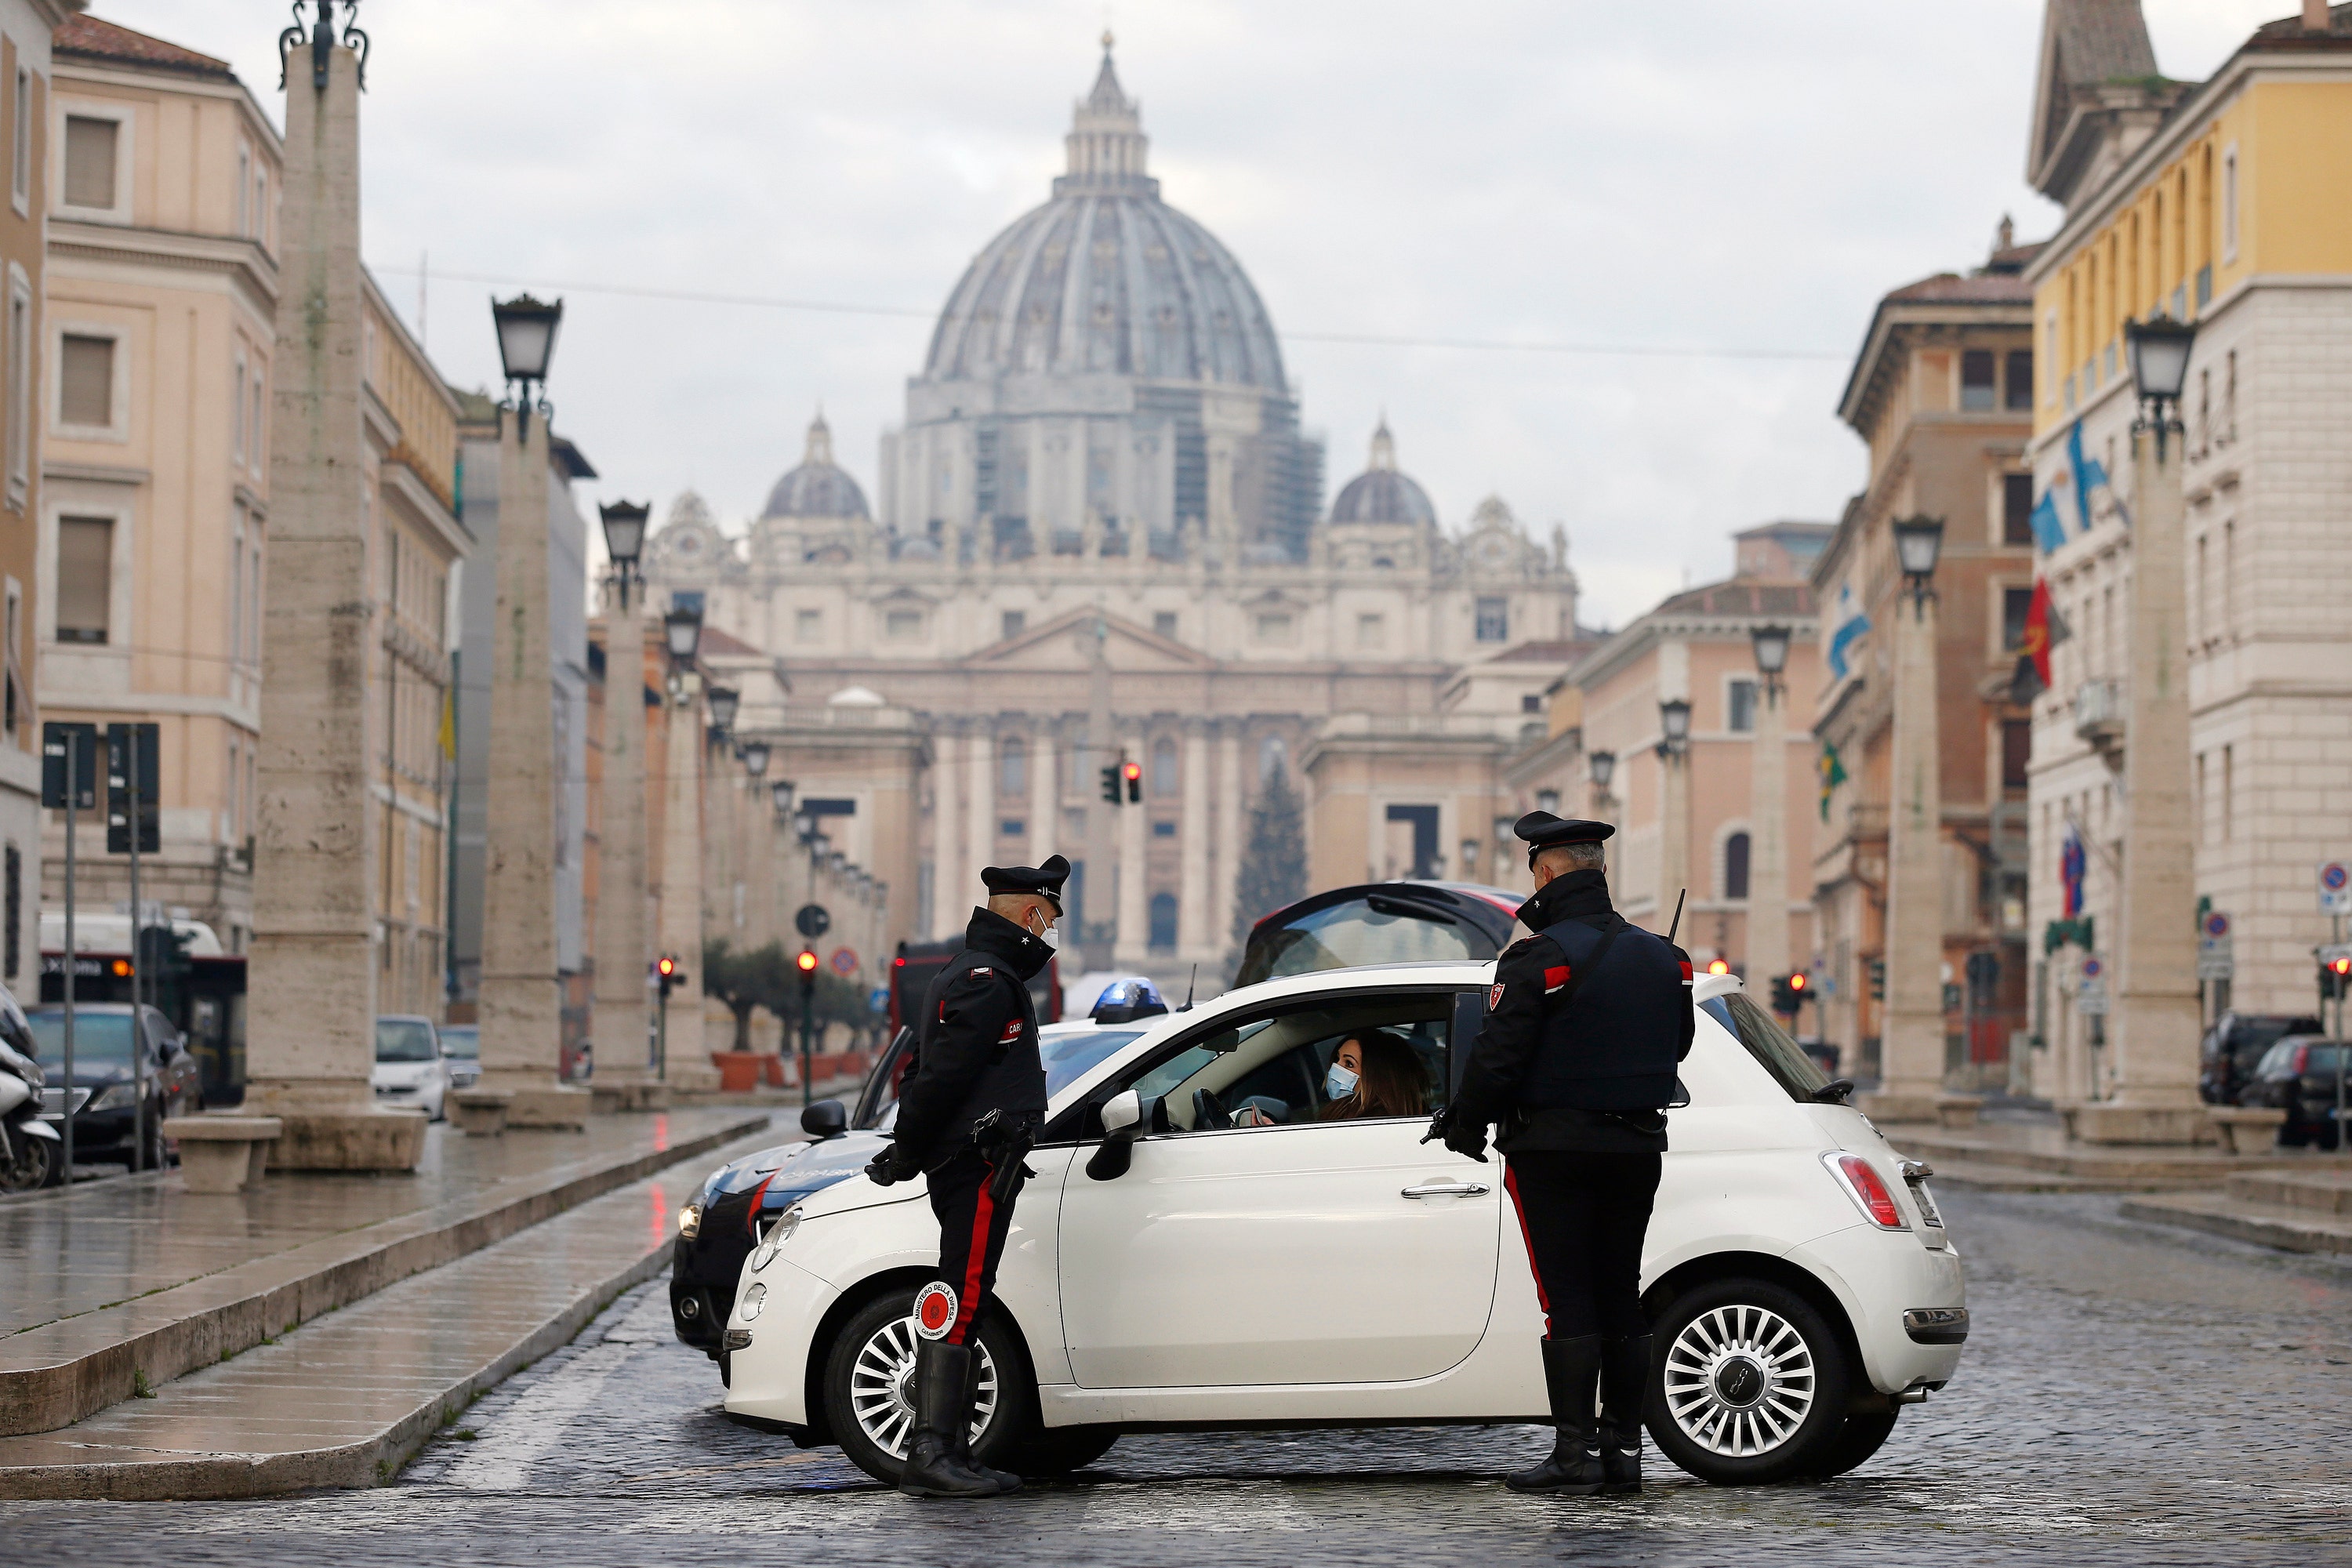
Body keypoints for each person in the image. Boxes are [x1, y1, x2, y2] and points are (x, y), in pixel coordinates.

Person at [1428, 812, 1693, 1497]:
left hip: (1551, 1151)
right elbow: (1681, 1045)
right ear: (1598, 872)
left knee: (1568, 1299)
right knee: (1620, 1295)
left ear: (1545, 874)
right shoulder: (1668, 958)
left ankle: (1573, 1456)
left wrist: (1465, 1124)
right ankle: (1625, 1454)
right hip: (1637, 1147)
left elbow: (1499, 1054)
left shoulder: (1540, 958)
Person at [863, 854, 1069, 1499]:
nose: (1054, 932)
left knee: (967, 1293)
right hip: (976, 1162)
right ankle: (930, 1451)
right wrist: (908, 1147)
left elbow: (920, 1069)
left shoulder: (973, 971)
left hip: (971, 1160)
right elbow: (941, 1077)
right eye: (1052, 917)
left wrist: (910, 1146)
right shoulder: (986, 979)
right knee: (964, 1293)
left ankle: (949, 1447)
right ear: (1032, 913)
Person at [1322, 1029, 1428, 1120]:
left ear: (1377, 1078)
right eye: (1337, 1059)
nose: (1335, 1067)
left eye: (1349, 1063)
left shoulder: (1364, 1125)